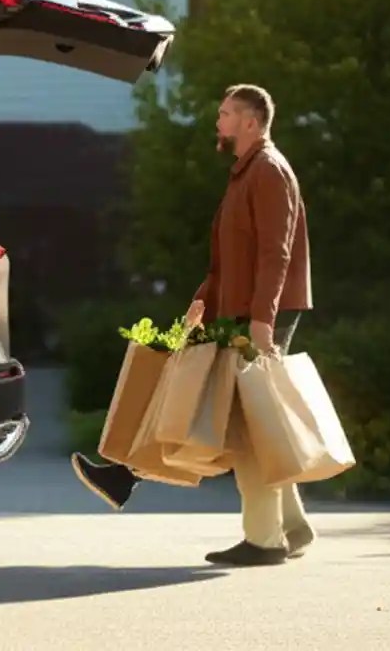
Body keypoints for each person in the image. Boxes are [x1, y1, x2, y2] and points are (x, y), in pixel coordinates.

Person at [71, 83, 315, 566]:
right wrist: (202, 301)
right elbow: (231, 256)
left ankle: (265, 541)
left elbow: (275, 252)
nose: (217, 122)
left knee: (247, 425)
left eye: (225, 114)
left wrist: (263, 319)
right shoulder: (246, 173)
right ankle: (289, 527)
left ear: (250, 121)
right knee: (242, 415)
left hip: (259, 312)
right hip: (237, 308)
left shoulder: (268, 171)